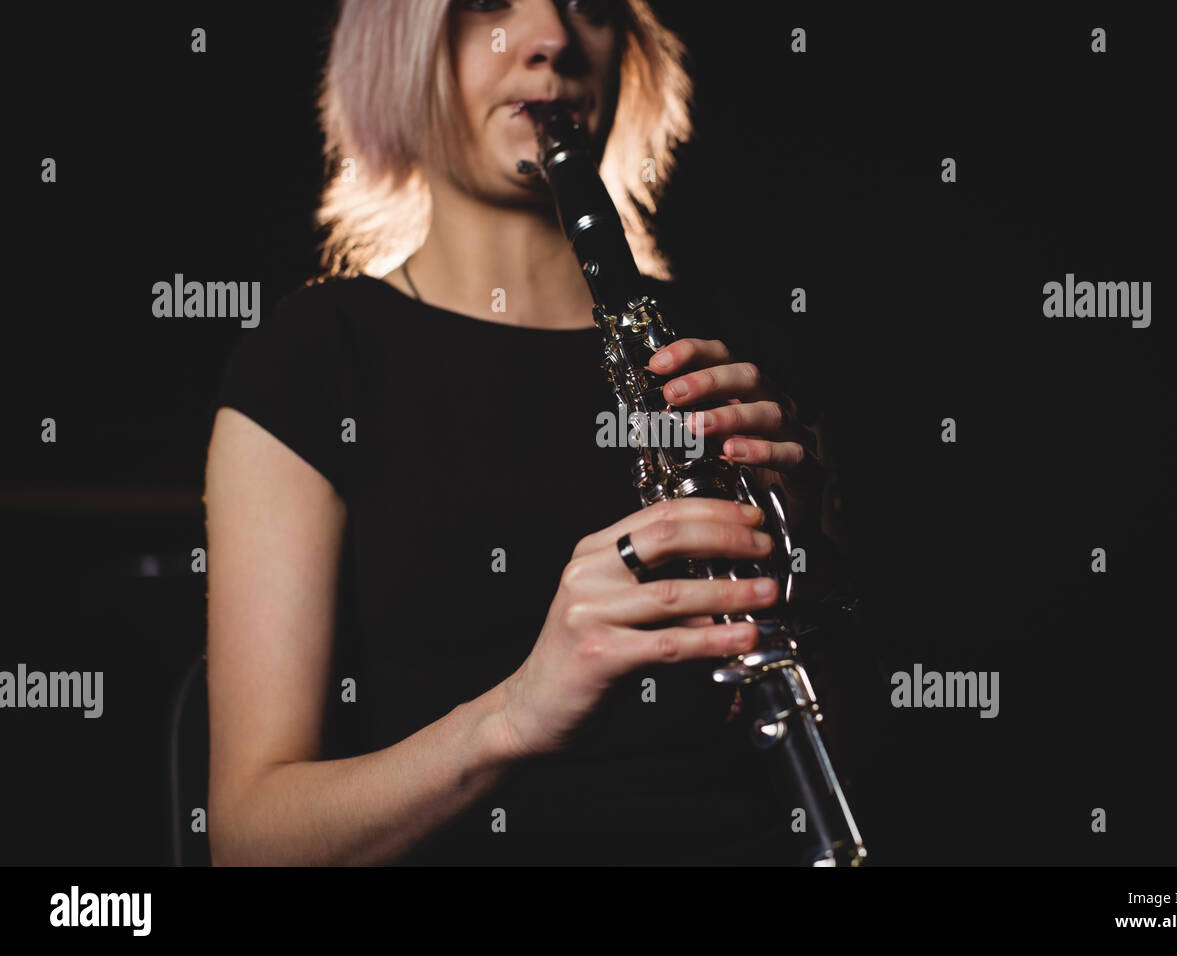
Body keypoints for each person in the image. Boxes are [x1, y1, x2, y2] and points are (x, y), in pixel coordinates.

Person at [203, 0, 835, 866]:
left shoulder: (731, 351)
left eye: (595, 9)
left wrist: (802, 550)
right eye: (488, 6)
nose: (553, 41)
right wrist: (514, 716)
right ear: (400, 44)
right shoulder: (311, 364)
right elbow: (250, 841)